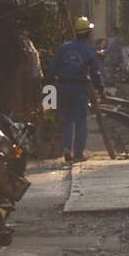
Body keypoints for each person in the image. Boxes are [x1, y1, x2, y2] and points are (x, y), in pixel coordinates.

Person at [48, 15, 104, 164]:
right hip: (79, 88)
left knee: (66, 120)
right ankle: (78, 153)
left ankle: (67, 148)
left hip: (62, 87)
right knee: (80, 120)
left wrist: (50, 90)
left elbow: (52, 69)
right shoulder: (88, 51)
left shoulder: (63, 48)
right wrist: (101, 90)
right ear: (88, 33)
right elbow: (95, 74)